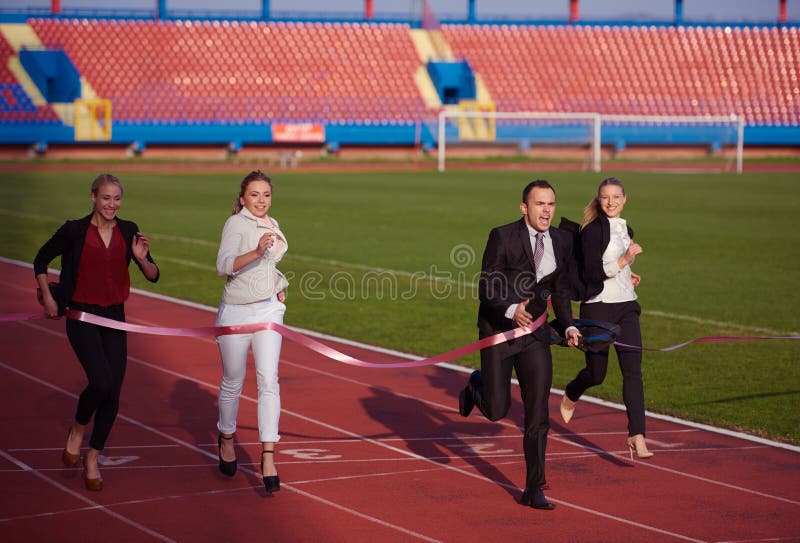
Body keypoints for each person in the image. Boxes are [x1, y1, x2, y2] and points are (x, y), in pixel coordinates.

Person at [459, 180, 581, 511]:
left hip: (535, 338)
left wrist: (568, 324)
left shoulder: (562, 240)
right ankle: (475, 386)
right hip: (499, 330)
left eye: (551, 204)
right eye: (539, 204)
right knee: (498, 410)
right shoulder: (502, 236)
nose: (546, 210)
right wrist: (512, 310)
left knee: (537, 414)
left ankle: (534, 487)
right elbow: (487, 284)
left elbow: (561, 290)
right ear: (524, 208)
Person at [34, 173, 159, 491]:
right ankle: (78, 428)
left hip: (114, 317)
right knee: (100, 382)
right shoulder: (74, 231)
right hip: (82, 315)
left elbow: (153, 274)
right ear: (93, 197)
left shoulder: (129, 230)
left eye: (117, 199)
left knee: (113, 392)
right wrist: (48, 296)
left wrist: (143, 260)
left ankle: (93, 457)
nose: (112, 204)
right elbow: (41, 259)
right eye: (106, 198)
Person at [559, 177, 654, 460]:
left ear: (625, 199)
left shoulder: (626, 228)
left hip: (626, 307)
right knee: (597, 375)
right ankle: (572, 391)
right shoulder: (591, 231)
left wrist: (628, 274)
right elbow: (591, 273)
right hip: (598, 308)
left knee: (633, 372)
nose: (611, 202)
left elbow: (614, 267)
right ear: (598, 201)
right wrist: (624, 261)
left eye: (616, 197)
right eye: (605, 197)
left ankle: (637, 434)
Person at [214, 170, 288, 493]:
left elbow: (268, 266)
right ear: (243, 198)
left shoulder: (272, 224)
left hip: (268, 309)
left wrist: (279, 283)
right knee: (233, 379)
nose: (261, 201)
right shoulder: (236, 224)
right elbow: (224, 265)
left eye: (266, 195)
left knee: (268, 378)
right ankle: (226, 435)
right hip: (237, 311)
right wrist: (257, 252)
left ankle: (268, 455)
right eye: (255, 195)